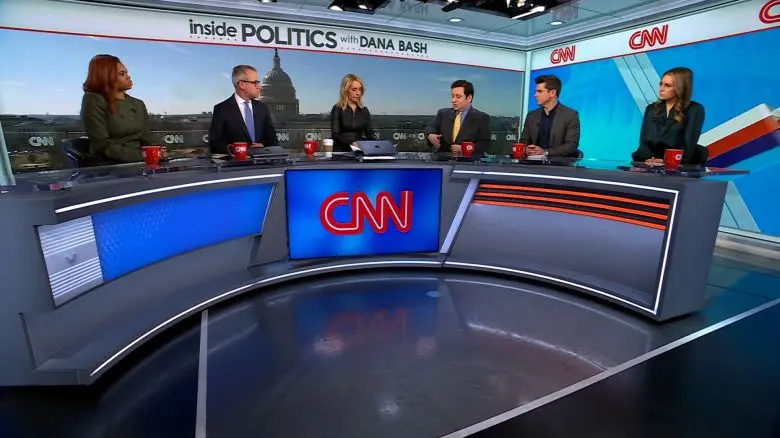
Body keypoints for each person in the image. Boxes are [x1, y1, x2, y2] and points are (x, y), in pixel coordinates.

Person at [81, 54, 151, 163]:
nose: (128, 77)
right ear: (106, 77)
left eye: (126, 73)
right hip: (110, 164)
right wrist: (143, 156)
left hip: (142, 161)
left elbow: (147, 139)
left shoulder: (138, 104)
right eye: (122, 74)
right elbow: (101, 144)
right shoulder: (93, 99)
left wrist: (159, 153)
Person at [632, 67, 706, 165]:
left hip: (679, 165)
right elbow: (644, 144)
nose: (661, 89)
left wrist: (666, 162)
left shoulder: (695, 109)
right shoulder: (651, 109)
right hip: (649, 163)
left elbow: (688, 146)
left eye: (667, 85)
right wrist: (649, 160)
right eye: (661, 84)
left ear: (680, 88)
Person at [208, 65, 278, 155]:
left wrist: (263, 145)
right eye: (255, 83)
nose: (259, 87)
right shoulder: (221, 109)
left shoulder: (262, 108)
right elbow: (215, 144)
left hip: (261, 161)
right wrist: (238, 150)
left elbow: (273, 139)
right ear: (242, 84)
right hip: (235, 163)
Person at [519, 75, 581, 158]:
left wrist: (545, 152)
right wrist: (526, 149)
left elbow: (571, 145)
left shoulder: (570, 115)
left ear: (552, 93)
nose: (535, 95)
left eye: (540, 91)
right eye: (536, 91)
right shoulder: (532, 116)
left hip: (558, 164)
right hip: (533, 163)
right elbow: (523, 141)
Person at [426, 80, 491, 155]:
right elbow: (430, 127)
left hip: (467, 160)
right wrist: (430, 134)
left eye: (458, 97)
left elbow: (485, 143)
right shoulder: (443, 113)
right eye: (453, 96)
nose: (453, 100)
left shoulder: (482, 118)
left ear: (469, 98)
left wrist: (464, 149)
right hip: (443, 158)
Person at [330, 74, 375, 152]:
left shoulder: (364, 110)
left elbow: (369, 133)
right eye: (354, 90)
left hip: (360, 150)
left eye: (360, 90)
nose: (358, 93)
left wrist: (379, 144)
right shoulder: (337, 109)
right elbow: (335, 135)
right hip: (341, 151)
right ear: (346, 91)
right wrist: (351, 143)